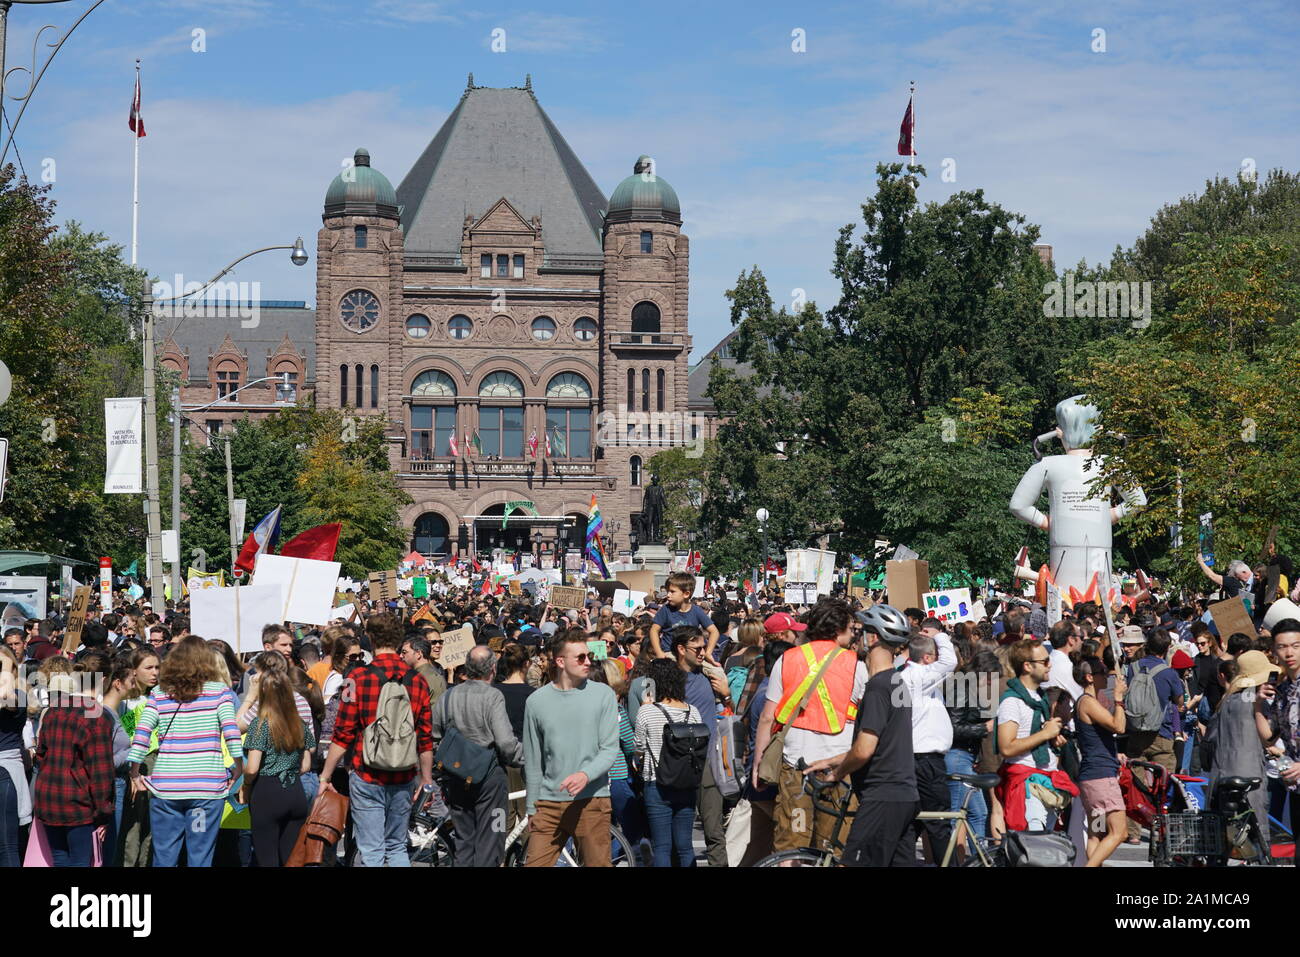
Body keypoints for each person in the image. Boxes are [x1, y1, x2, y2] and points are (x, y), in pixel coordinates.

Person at [753, 598, 867, 855]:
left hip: (795, 765)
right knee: (835, 847)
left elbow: (767, 718)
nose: (853, 635)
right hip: (839, 766)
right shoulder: (857, 664)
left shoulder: (787, 658)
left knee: (791, 843)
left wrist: (759, 762)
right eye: (851, 628)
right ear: (838, 629)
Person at [806, 603, 917, 867]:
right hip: (904, 795)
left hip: (881, 796)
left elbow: (865, 749)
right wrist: (831, 760)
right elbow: (883, 744)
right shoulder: (897, 683)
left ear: (874, 637)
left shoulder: (878, 688)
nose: (858, 637)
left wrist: (837, 773)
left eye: (862, 631)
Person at [320, 613, 434, 867]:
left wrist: (326, 775)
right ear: (399, 640)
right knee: (396, 847)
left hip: (366, 772)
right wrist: (425, 778)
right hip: (404, 773)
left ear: (370, 639)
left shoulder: (355, 680)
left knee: (371, 850)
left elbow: (343, 734)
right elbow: (425, 737)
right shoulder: (418, 681)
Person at [125, 636, 244, 868]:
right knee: (200, 857)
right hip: (207, 788)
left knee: (165, 856)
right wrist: (238, 767)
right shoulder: (219, 692)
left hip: (167, 787)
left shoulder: (159, 693)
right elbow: (231, 732)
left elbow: (142, 732)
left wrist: (135, 771)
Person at [521, 629, 620, 867]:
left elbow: (609, 749)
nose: (588, 662)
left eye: (588, 656)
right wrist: (531, 806)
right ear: (560, 661)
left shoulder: (603, 694)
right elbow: (533, 760)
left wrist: (585, 775)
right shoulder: (536, 701)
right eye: (581, 657)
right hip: (547, 803)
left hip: (592, 801)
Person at [430, 644, 522, 867]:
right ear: (492, 668)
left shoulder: (448, 696)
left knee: (464, 840)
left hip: (456, 774)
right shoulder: (493, 696)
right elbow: (505, 742)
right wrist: (524, 756)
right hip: (489, 776)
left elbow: (434, 733)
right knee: (492, 838)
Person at [995, 638, 1078, 833]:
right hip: (1027, 785)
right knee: (1034, 850)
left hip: (1045, 780)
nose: (1050, 666)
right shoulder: (1012, 702)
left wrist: (1052, 740)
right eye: (1045, 661)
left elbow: (1036, 737)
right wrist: (1044, 734)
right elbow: (1006, 748)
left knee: (1044, 849)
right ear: (1027, 666)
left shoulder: (1040, 699)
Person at [242, 668, 315, 866]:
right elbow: (306, 764)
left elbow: (252, 768)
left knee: (267, 859)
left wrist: (246, 786)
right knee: (290, 859)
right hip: (294, 791)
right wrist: (287, 768)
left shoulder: (260, 724)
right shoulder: (299, 723)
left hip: (267, 792)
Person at [634, 658, 702, 866]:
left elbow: (639, 748)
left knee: (662, 846)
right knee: (685, 846)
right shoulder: (693, 712)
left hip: (657, 782)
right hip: (687, 783)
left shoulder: (647, 711)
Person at [1121, 628, 1184, 843]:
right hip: (1162, 734)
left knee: (1135, 783)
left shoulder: (1133, 667)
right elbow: (1178, 701)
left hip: (1136, 732)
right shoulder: (1169, 673)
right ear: (1167, 649)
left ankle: (1134, 832)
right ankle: (1161, 831)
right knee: (1164, 787)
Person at [900, 622, 956, 858]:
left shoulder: (904, 675)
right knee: (938, 821)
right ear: (927, 658)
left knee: (914, 823)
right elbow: (950, 663)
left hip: (913, 758)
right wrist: (940, 635)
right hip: (925, 761)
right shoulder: (919, 675)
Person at [1208, 649, 1274, 845]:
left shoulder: (1228, 699)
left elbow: (1211, 736)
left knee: (1223, 838)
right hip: (1250, 775)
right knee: (1258, 836)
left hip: (1221, 773)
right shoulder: (1256, 700)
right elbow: (1269, 737)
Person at [1072, 657, 1128, 866]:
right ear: (1089, 677)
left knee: (1097, 833)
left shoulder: (1086, 702)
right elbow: (1118, 726)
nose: (1107, 676)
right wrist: (1119, 698)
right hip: (1101, 777)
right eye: (1102, 673)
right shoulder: (1087, 702)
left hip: (1092, 777)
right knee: (1119, 832)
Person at [1265, 619, 1300, 840]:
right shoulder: (1283, 689)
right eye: (1282, 647)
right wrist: (1259, 703)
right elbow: (1268, 736)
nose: (1289, 653)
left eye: (1295, 646)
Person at [650, 572, 719, 660]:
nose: (668, 595)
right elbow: (654, 630)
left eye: (672, 592)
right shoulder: (665, 610)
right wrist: (659, 652)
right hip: (671, 654)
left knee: (717, 671)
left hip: (692, 654)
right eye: (668, 591)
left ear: (686, 594)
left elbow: (714, 631)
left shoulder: (696, 611)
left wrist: (708, 652)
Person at [0, 647, 28, 867]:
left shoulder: (18, 696)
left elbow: (7, 699)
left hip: (5, 773)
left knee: (7, 845)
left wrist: (7, 665)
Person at [401, 635, 447, 706]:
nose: (401, 656)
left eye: (404, 652)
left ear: (418, 654)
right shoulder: (423, 675)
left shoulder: (422, 678)